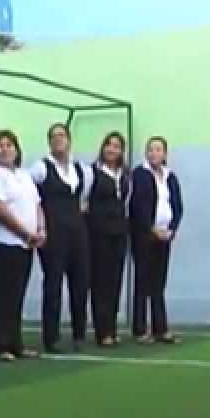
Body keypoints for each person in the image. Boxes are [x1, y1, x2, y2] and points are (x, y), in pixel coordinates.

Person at [0, 130, 44, 362]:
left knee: (17, 295)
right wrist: (24, 232)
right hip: (4, 242)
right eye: (0, 145)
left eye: (9, 145)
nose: (5, 149)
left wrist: (41, 230)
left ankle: (15, 343)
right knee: (4, 294)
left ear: (17, 150)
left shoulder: (24, 175)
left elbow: (37, 205)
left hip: (26, 244)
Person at [30, 123, 90, 353]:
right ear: (49, 141)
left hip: (78, 232)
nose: (58, 140)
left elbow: (85, 198)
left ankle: (79, 334)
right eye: (54, 136)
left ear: (69, 140)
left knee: (80, 283)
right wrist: (39, 227)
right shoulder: (41, 168)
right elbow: (31, 196)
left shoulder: (80, 169)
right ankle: (51, 337)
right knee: (53, 283)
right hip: (53, 234)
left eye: (62, 136)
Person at [128, 136, 183, 344]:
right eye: (151, 149)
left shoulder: (170, 177)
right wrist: (151, 229)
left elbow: (177, 205)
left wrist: (172, 229)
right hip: (144, 236)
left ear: (165, 154)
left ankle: (161, 328)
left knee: (159, 283)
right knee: (142, 281)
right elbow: (138, 207)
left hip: (165, 236)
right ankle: (140, 329)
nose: (154, 153)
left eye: (158, 149)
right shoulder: (140, 175)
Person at [87, 132, 131, 347]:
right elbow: (84, 203)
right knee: (101, 282)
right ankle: (102, 330)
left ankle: (112, 328)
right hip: (99, 234)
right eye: (109, 145)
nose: (112, 149)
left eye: (117, 146)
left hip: (119, 233)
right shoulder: (92, 172)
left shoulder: (124, 174)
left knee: (115, 281)